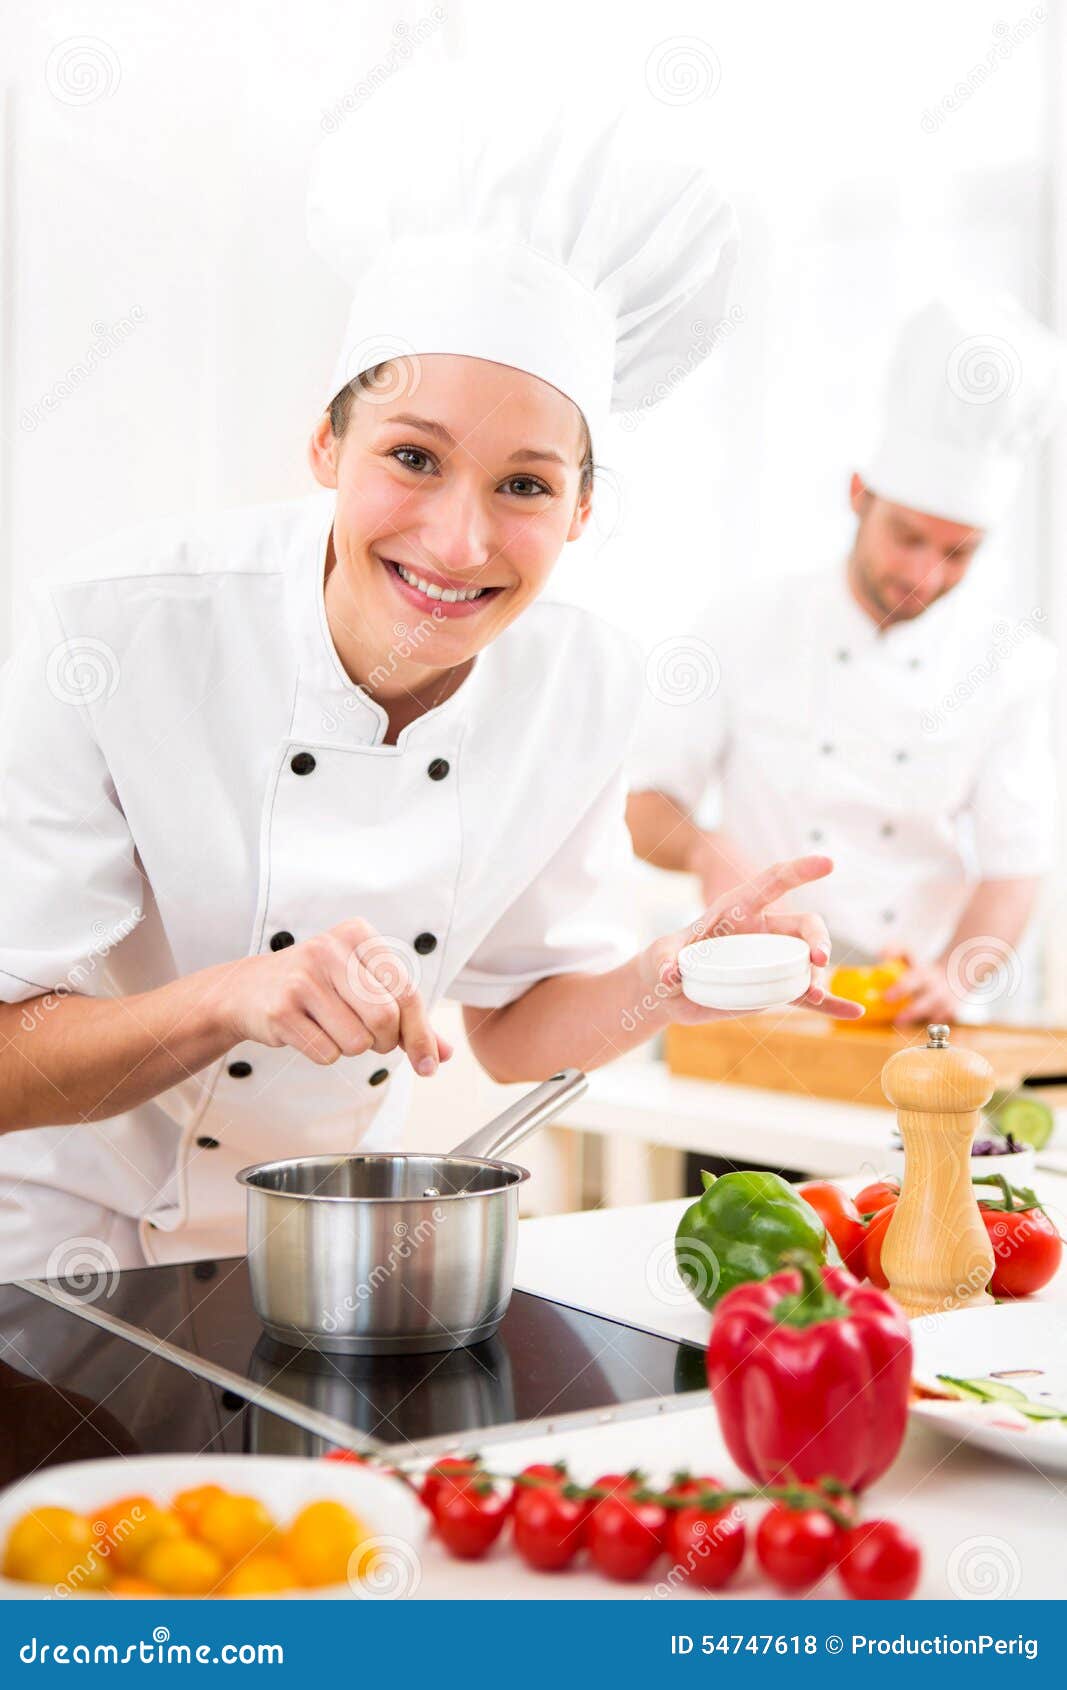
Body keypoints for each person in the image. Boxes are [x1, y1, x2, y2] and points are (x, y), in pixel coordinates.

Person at [0, 70, 858, 1280]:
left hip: (330, 1270)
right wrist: (229, 998)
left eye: (524, 484)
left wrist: (668, 978)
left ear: (580, 510)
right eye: (412, 457)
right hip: (50, 1276)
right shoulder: (116, 632)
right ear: (325, 446)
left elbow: (514, 1032)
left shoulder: (585, 685)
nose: (458, 544)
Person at [628, 295, 1062, 1026]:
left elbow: (1014, 865)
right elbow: (642, 808)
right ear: (858, 496)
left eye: (957, 553)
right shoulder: (742, 625)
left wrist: (957, 976)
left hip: (907, 1019)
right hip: (757, 1008)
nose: (924, 576)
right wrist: (709, 856)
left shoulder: (1011, 667)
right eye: (908, 538)